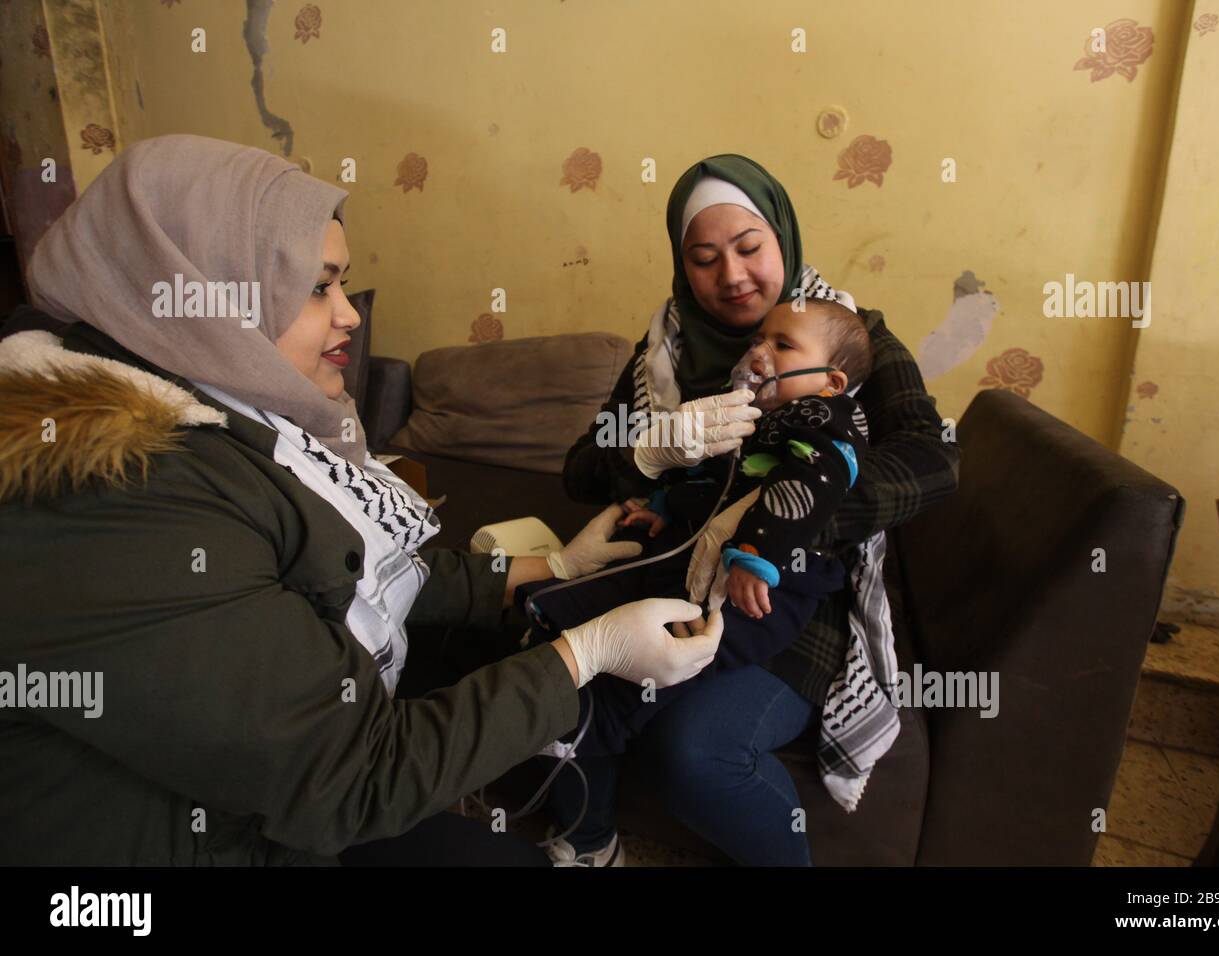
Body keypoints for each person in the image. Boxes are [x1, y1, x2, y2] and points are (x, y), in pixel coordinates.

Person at [0, 134, 722, 866]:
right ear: (204, 294)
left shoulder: (220, 417)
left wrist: (554, 569)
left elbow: (343, 572)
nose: (348, 316)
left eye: (342, 284)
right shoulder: (119, 494)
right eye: (319, 287)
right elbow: (349, 777)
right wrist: (586, 652)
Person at [556, 155, 960, 866]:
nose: (733, 277)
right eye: (705, 259)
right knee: (567, 673)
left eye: (750, 249)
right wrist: (651, 455)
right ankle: (586, 840)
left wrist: (775, 518)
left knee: (692, 751)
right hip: (680, 570)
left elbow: (932, 463)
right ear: (683, 267)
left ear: (783, 237)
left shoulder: (849, 335)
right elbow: (582, 469)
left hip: (797, 592)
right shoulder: (665, 352)